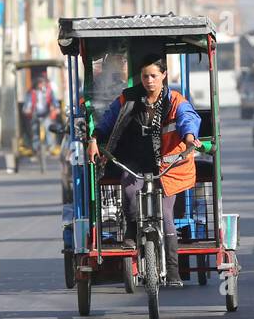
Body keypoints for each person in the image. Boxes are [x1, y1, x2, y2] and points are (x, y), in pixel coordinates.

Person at [86, 59, 202, 288]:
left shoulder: (176, 100)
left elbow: (188, 119)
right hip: (134, 160)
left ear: (164, 76)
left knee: (167, 216)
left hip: (167, 165)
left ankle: (173, 271)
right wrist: (94, 140)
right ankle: (130, 228)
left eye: (154, 76)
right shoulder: (128, 98)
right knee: (129, 189)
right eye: (145, 76)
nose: (149, 81)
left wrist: (190, 137)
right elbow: (107, 120)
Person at [21, 73, 59, 151]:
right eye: (41, 84)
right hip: (35, 113)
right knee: (35, 131)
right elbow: (28, 102)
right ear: (37, 84)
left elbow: (54, 100)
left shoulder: (49, 91)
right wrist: (26, 109)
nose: (42, 85)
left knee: (48, 129)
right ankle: (36, 148)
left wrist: (56, 107)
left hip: (46, 113)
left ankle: (50, 147)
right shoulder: (32, 92)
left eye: (43, 83)